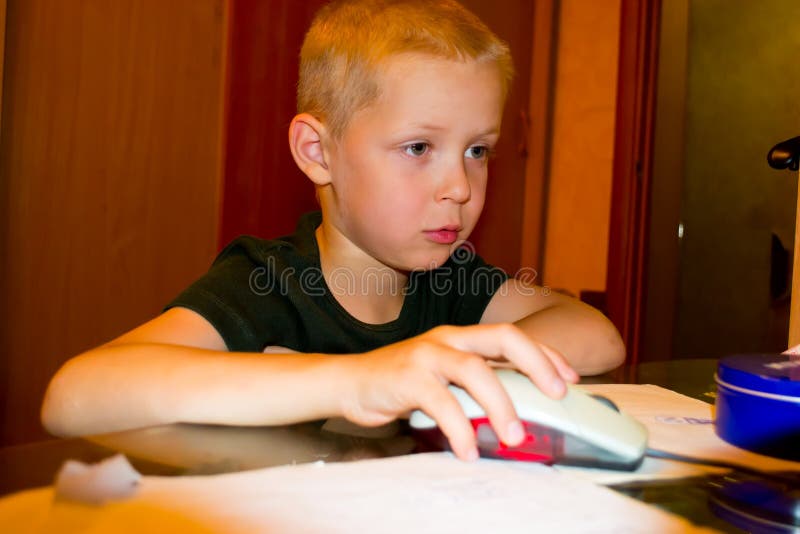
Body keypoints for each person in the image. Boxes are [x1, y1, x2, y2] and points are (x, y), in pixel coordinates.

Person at [41, 0, 625, 462]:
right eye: (418, 147)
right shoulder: (268, 282)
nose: (461, 187)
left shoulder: (454, 279)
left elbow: (595, 334)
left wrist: (437, 375)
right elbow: (75, 396)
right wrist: (360, 381)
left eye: (478, 150)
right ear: (318, 152)